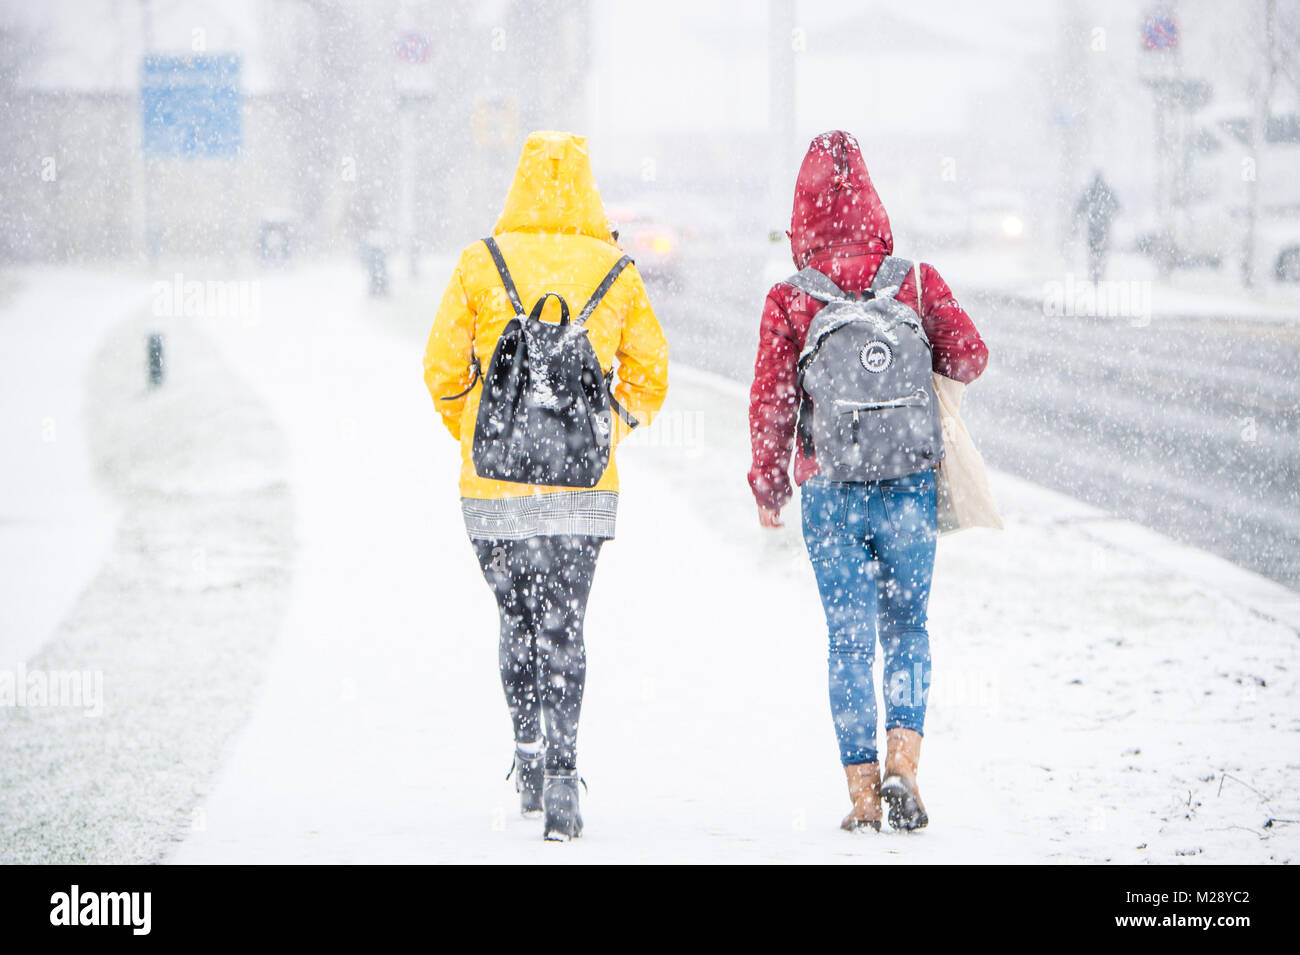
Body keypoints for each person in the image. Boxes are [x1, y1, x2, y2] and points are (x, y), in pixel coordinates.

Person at [423, 131, 669, 841]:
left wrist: (477, 434)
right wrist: (603, 433)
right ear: (587, 187)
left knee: (517, 620)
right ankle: (565, 776)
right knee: (566, 624)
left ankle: (527, 756)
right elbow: (650, 376)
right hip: (582, 490)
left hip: (493, 492)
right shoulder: (615, 271)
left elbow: (440, 373)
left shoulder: (481, 263)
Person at [748, 130, 988, 832]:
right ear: (875, 205)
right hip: (909, 481)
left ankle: (861, 797)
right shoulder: (913, 280)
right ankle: (904, 765)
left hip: (830, 488)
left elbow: (771, 405)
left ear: (801, 213)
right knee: (908, 626)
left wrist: (769, 485)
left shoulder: (790, 299)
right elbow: (971, 357)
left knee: (849, 639)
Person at [1076, 171, 1120, 283]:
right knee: (1102, 252)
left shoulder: (1090, 192)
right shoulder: (1107, 192)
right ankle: (1099, 273)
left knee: (1093, 252)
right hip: (1103, 229)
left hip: (1093, 229)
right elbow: (1118, 207)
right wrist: (1109, 215)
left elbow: (1080, 208)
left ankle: (1094, 273)